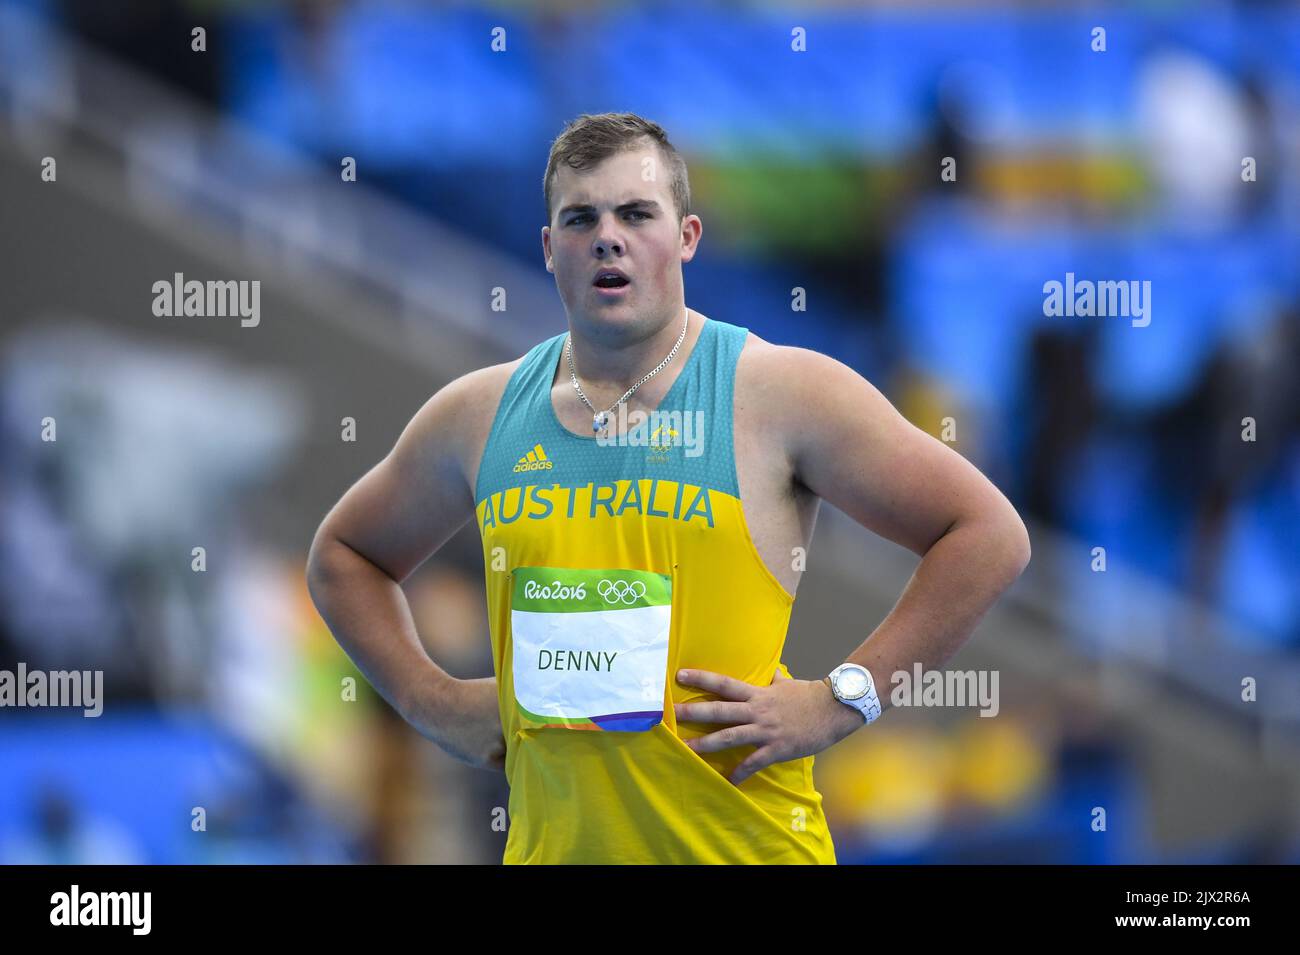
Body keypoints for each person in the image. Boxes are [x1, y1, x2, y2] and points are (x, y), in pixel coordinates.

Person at [306, 112, 1031, 864]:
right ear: (551, 250)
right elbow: (345, 554)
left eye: (635, 213)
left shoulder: (776, 393)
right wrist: (430, 699)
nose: (607, 237)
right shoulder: (479, 415)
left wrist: (842, 698)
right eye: (580, 218)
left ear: (686, 236)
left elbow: (988, 535)